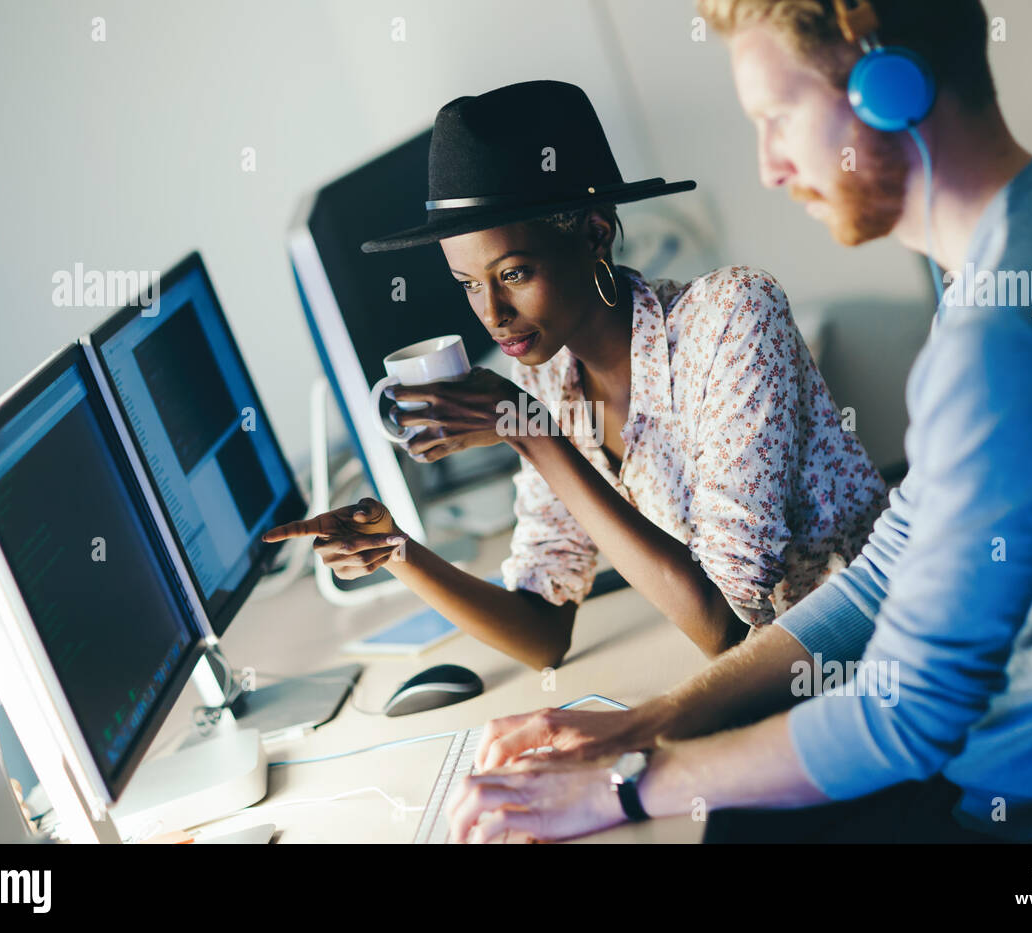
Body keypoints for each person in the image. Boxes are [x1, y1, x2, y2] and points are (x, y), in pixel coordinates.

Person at [446, 0, 1032, 843]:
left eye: (777, 117)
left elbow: (908, 714)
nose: (768, 165)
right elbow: (887, 574)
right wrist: (647, 721)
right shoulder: (1023, 250)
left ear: (890, 87)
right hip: (1014, 778)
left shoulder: (1013, 335)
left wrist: (623, 784)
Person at [264, 80, 886, 668]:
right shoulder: (546, 380)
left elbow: (727, 627)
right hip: (775, 685)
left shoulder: (731, 318)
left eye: (512, 274)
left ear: (594, 233)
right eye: (467, 285)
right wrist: (397, 550)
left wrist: (533, 435)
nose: (492, 315)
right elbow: (543, 632)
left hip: (880, 657)